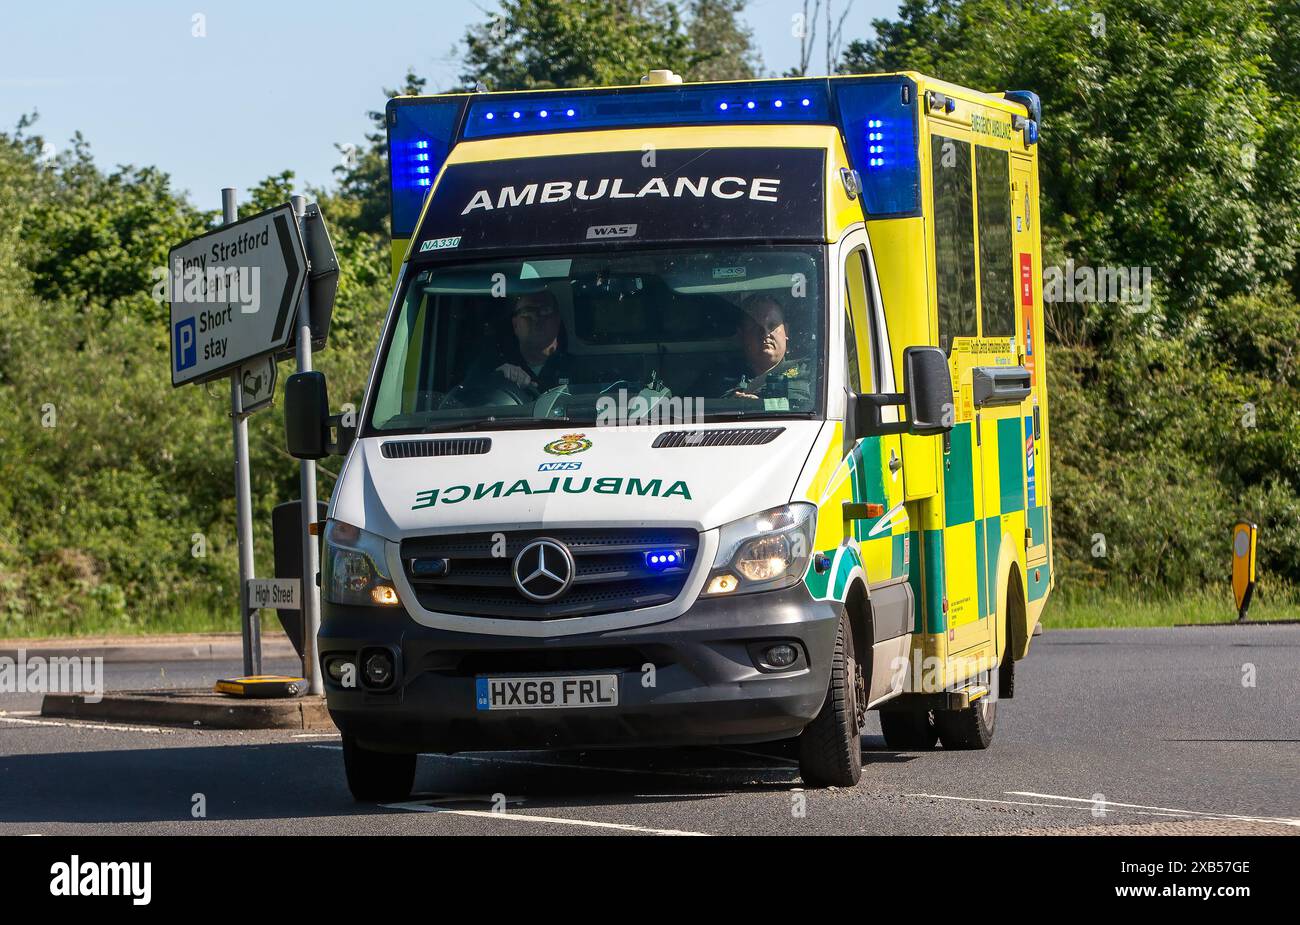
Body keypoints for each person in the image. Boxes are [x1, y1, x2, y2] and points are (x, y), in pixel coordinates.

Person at [704, 294, 813, 409]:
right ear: (742, 335)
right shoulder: (719, 376)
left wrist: (762, 406)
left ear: (786, 331)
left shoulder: (811, 374)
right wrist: (731, 405)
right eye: (756, 327)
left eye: (772, 326)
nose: (765, 334)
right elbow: (693, 411)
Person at [467, 289, 575, 392]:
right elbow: (467, 401)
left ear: (557, 320)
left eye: (545, 310)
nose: (536, 318)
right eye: (528, 312)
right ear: (515, 325)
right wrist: (497, 380)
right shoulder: (492, 367)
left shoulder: (580, 370)